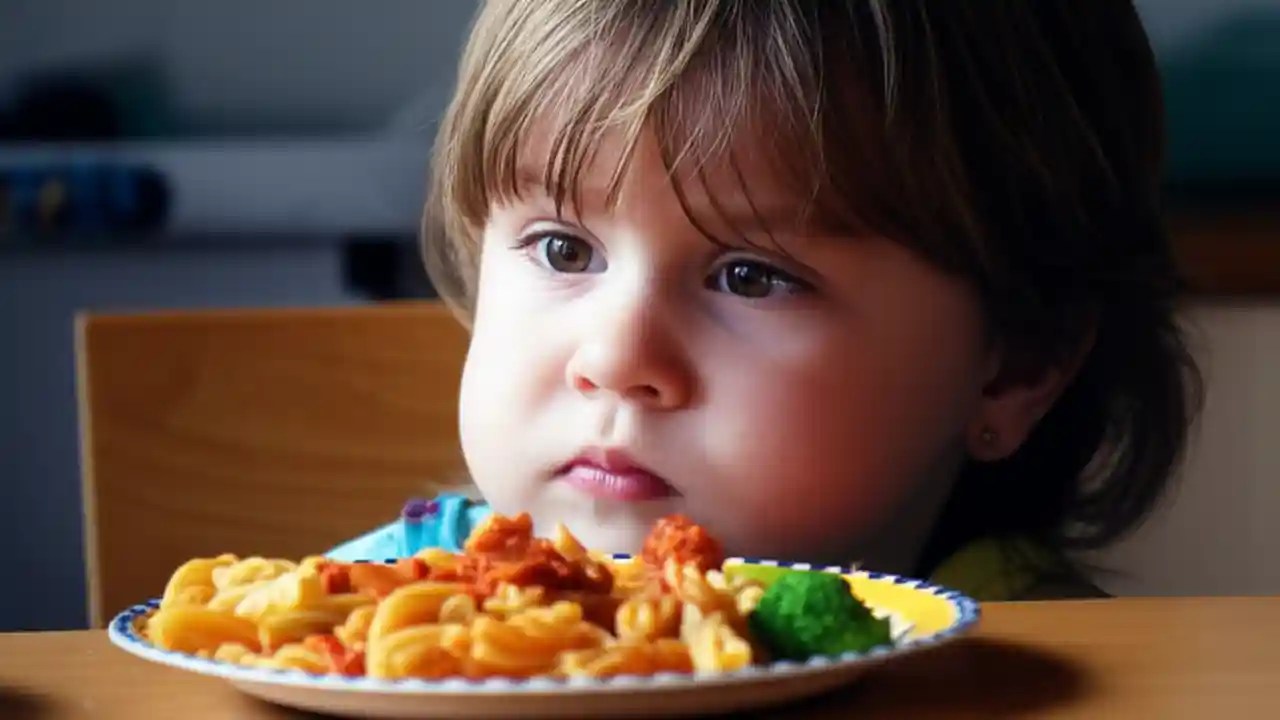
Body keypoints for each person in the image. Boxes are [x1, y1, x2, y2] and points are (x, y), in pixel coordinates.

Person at [328, 0, 1201, 602]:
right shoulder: (363, 611)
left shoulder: (1049, 664)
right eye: (564, 249)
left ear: (1016, 364)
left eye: (751, 276)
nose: (617, 359)